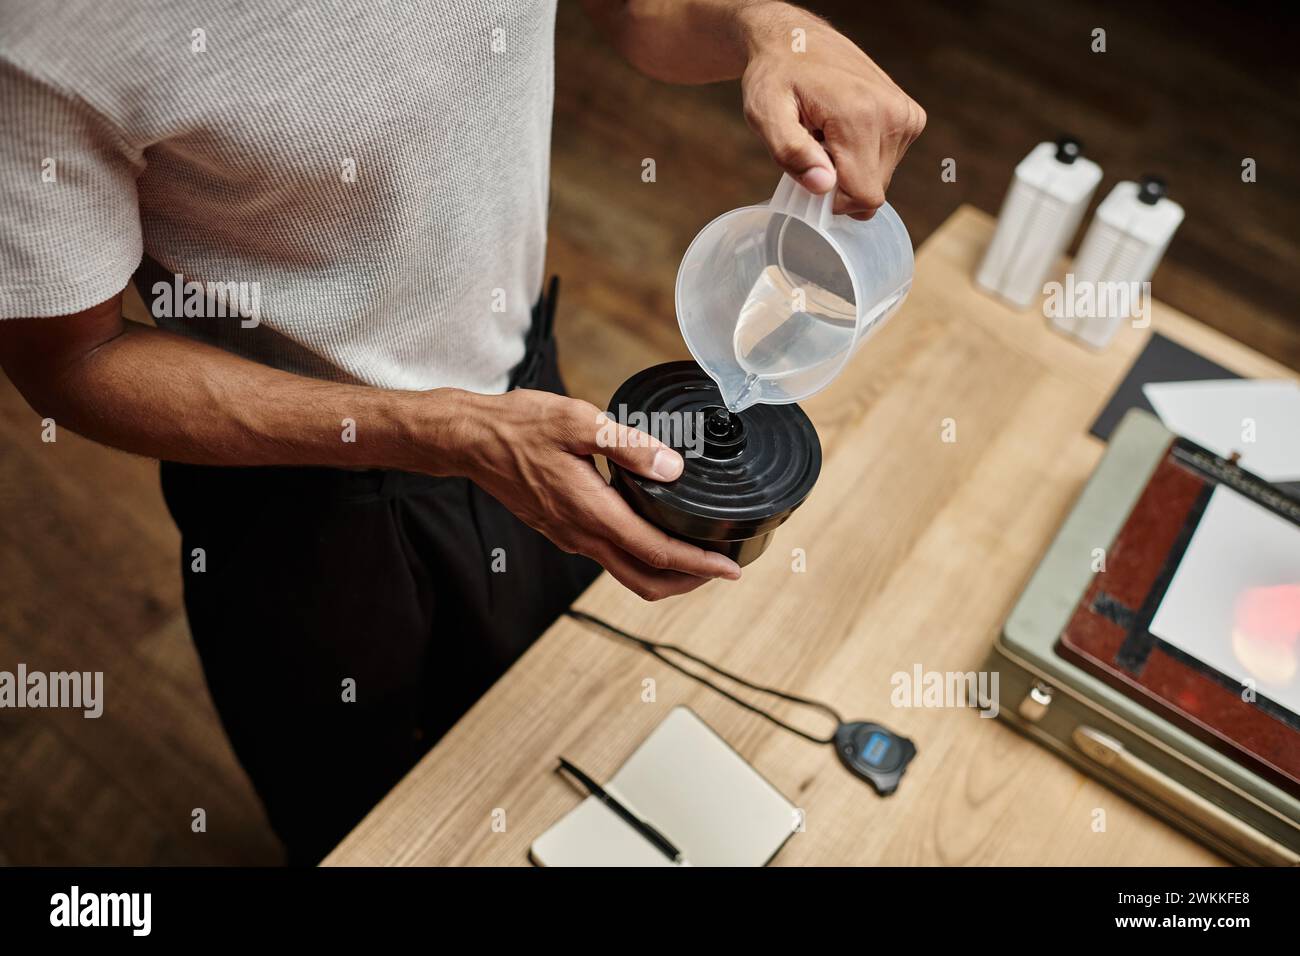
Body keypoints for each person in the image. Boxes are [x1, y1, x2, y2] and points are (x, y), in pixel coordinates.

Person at [0, 0, 924, 863]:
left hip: (525, 393)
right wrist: (442, 431)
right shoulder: (46, 36)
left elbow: (640, 11)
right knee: (360, 821)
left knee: (550, 730)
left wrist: (764, 24)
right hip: (294, 484)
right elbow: (69, 362)